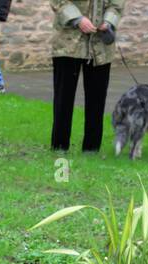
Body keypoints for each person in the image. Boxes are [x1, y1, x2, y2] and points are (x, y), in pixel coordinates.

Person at [49, 0, 125, 152]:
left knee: (97, 101)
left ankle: (91, 149)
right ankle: (59, 147)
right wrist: (78, 19)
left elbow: (117, 4)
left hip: (100, 47)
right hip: (68, 44)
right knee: (63, 100)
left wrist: (108, 21)